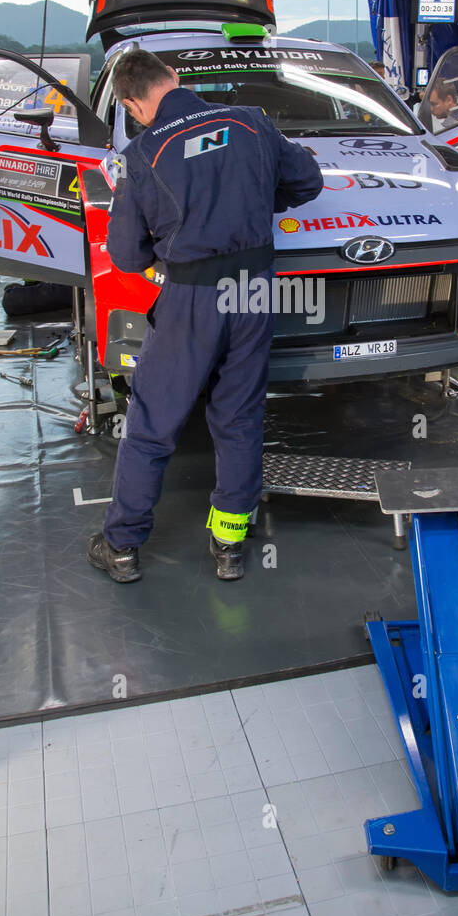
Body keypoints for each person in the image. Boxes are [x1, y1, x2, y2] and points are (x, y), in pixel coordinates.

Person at [88, 49, 323, 584]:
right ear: (173, 79)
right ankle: (229, 547)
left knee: (151, 426)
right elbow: (307, 182)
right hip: (255, 291)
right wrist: (259, 200)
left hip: (192, 299)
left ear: (131, 104)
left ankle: (121, 546)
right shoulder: (251, 121)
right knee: (239, 420)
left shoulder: (143, 152)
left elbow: (126, 257)